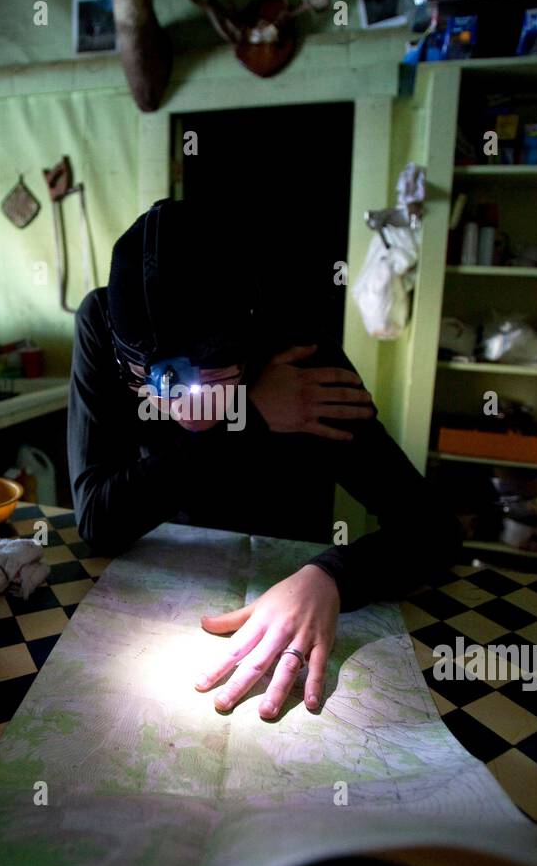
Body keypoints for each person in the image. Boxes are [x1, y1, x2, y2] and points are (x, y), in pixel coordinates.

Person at [68, 198, 461, 721]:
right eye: (153, 383)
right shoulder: (102, 325)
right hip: (164, 573)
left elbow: (434, 529)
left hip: (289, 569)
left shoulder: (301, 353)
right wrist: (247, 414)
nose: (181, 402)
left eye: (210, 375)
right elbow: (98, 522)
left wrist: (331, 576)